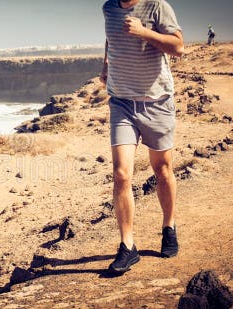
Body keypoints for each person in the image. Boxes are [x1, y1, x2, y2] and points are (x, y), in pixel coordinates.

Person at [99, 0, 184, 274]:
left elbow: (178, 47)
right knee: (122, 174)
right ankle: (127, 246)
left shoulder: (158, 6)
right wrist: (106, 65)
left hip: (157, 102)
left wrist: (144, 32)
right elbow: (110, 39)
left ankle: (168, 226)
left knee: (162, 169)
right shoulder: (108, 8)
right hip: (121, 103)